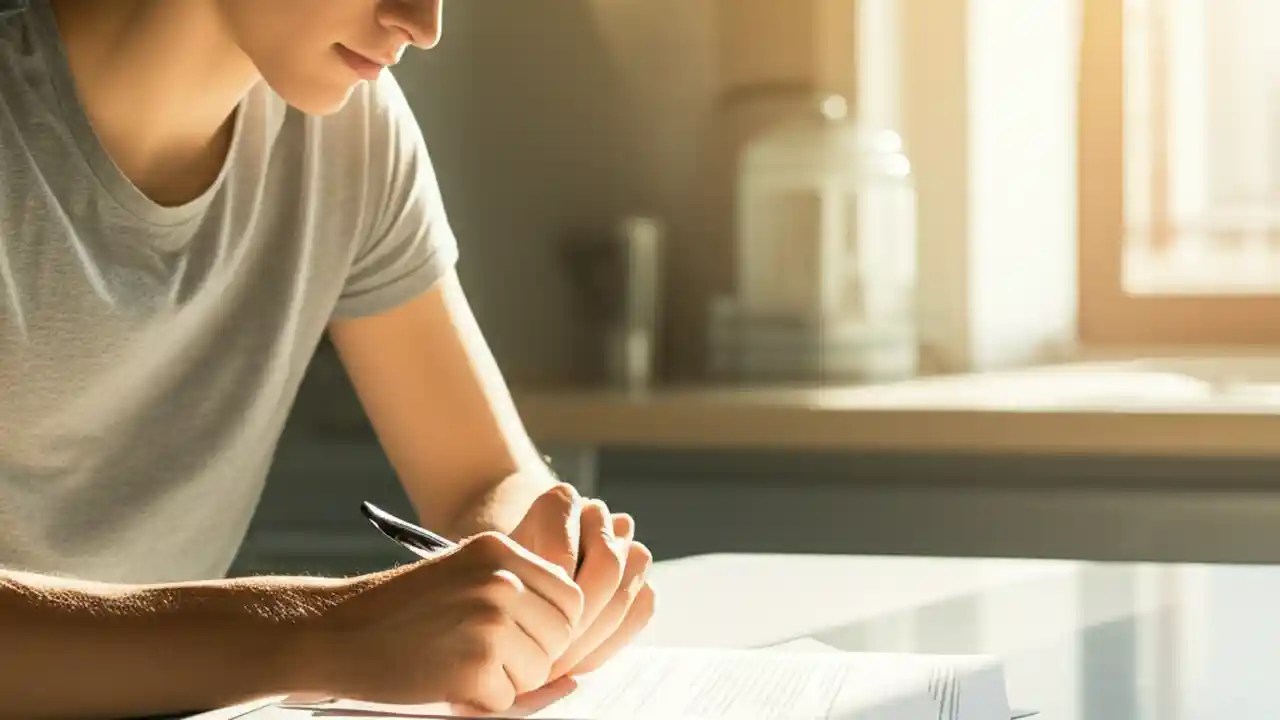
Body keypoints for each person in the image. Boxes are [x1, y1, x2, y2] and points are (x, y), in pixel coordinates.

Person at [0, 0, 656, 717]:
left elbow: (481, 477)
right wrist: (325, 630)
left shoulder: (351, 133)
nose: (423, 23)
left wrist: (542, 558)